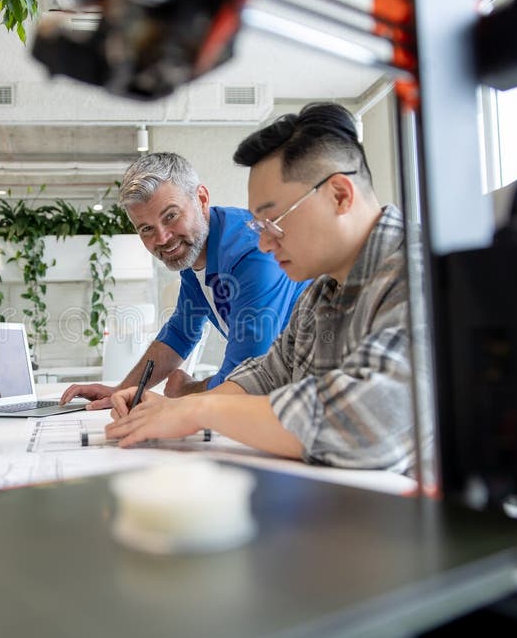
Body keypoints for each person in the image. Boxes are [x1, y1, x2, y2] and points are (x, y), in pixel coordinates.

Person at [106, 104, 417, 473]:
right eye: (259, 226)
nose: (266, 244)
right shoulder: (321, 294)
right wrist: (173, 409)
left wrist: (194, 407)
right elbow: (266, 374)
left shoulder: (416, 274)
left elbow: (365, 426)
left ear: (339, 196)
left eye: (276, 221)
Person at [60, 152, 309, 410]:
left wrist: (186, 392)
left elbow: (248, 377)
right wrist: (122, 391)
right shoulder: (194, 258)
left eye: (170, 216)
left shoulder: (253, 254)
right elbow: (180, 333)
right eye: (146, 228)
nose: (162, 238)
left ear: (201, 199)